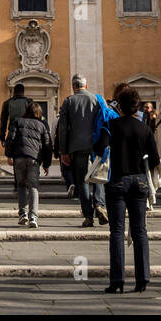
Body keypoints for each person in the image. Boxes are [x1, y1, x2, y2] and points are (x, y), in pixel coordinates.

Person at [96, 89, 160, 293]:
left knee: (116, 231)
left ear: (120, 106)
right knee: (140, 230)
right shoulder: (144, 129)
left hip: (118, 180)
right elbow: (155, 159)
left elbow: (99, 149)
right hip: (140, 180)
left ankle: (117, 281)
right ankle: (143, 279)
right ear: (137, 107)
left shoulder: (111, 126)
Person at [55, 74, 108, 227]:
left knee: (82, 181)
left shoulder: (69, 101)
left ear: (73, 86)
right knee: (98, 177)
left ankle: (88, 216)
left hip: (77, 147)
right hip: (97, 145)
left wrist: (63, 151)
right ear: (87, 84)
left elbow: (63, 128)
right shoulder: (97, 99)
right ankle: (99, 204)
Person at [7, 100, 53, 228]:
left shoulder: (17, 121)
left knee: (21, 185)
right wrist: (47, 164)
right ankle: (33, 216)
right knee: (33, 186)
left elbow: (10, 138)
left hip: (19, 157)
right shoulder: (42, 125)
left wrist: (9, 155)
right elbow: (47, 145)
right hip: (34, 158)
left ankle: (23, 214)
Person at [0, 83, 30, 150]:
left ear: (14, 92)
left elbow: (3, 122)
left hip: (13, 132)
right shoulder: (29, 102)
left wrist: (2, 138)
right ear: (23, 92)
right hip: (27, 132)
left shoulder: (7, 103)